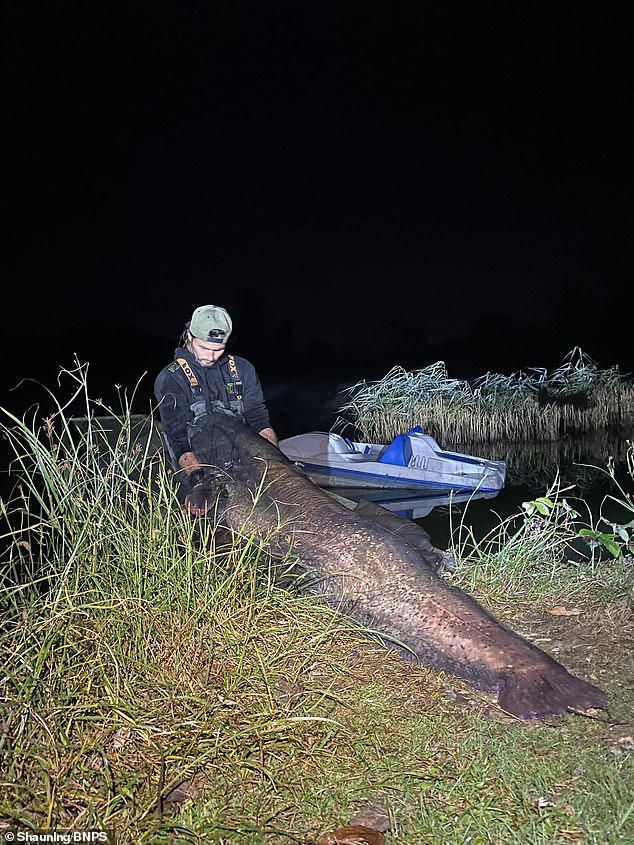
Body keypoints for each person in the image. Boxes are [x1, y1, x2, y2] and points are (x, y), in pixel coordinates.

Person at [154, 304, 278, 514]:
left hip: (243, 462)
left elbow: (259, 419)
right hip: (194, 465)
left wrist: (276, 465)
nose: (211, 357)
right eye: (204, 348)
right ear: (189, 336)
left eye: (218, 350)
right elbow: (177, 436)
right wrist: (197, 477)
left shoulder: (243, 369)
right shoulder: (171, 377)